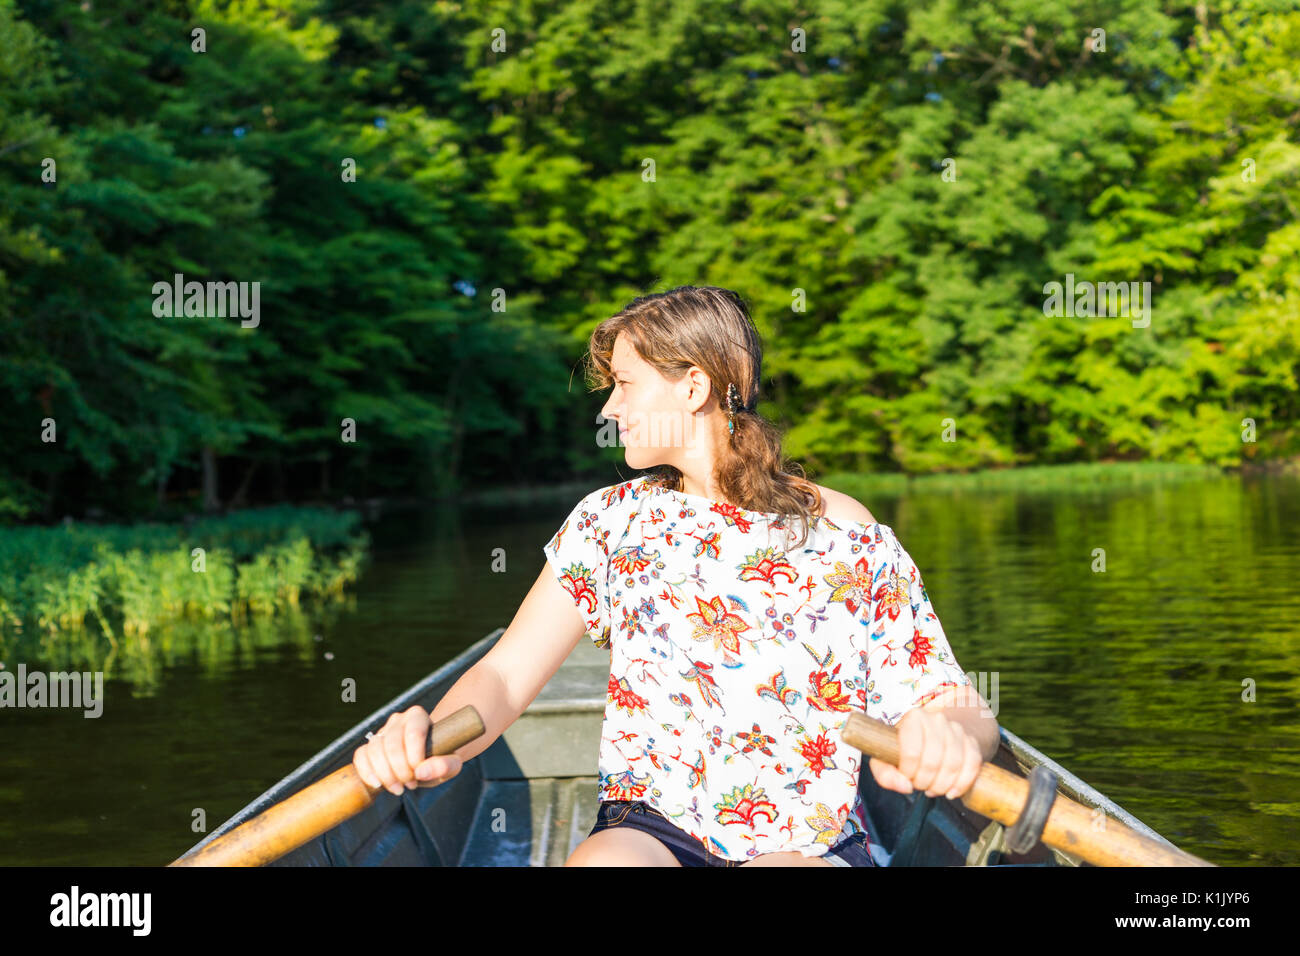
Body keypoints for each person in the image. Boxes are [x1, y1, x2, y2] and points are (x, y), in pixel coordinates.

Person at [352, 285, 999, 867]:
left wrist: (946, 736)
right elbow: (504, 674)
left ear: (694, 387)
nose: (609, 409)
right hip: (651, 829)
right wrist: (429, 737)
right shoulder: (609, 523)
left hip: (809, 843)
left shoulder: (842, 529)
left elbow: (953, 701)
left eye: (625, 385)